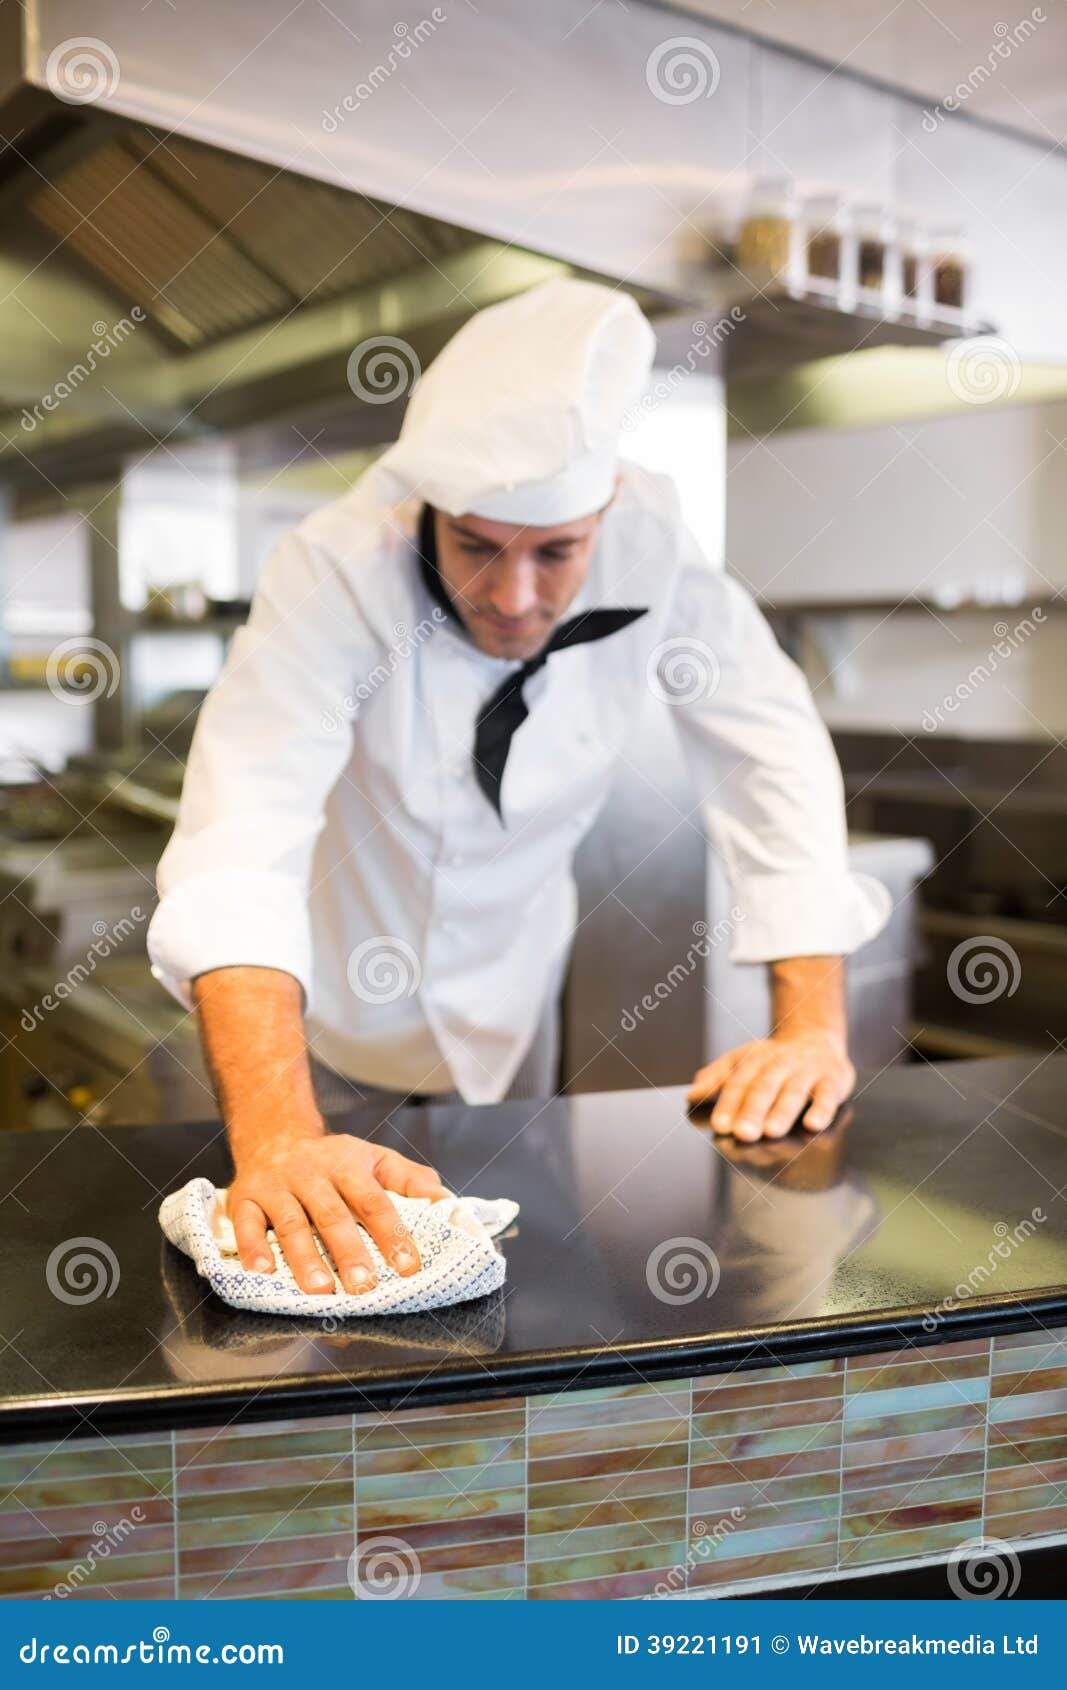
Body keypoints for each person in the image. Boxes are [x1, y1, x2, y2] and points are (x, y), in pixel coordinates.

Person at [147, 277, 890, 1296]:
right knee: (306, 1329)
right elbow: (243, 830)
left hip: (510, 1021)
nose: (514, 596)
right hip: (316, 1031)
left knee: (509, 1294)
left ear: (606, 507)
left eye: (556, 552)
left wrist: (808, 1023)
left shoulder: (651, 541)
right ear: (428, 507)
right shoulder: (331, 569)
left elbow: (768, 743)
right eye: (476, 546)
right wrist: (278, 1135)